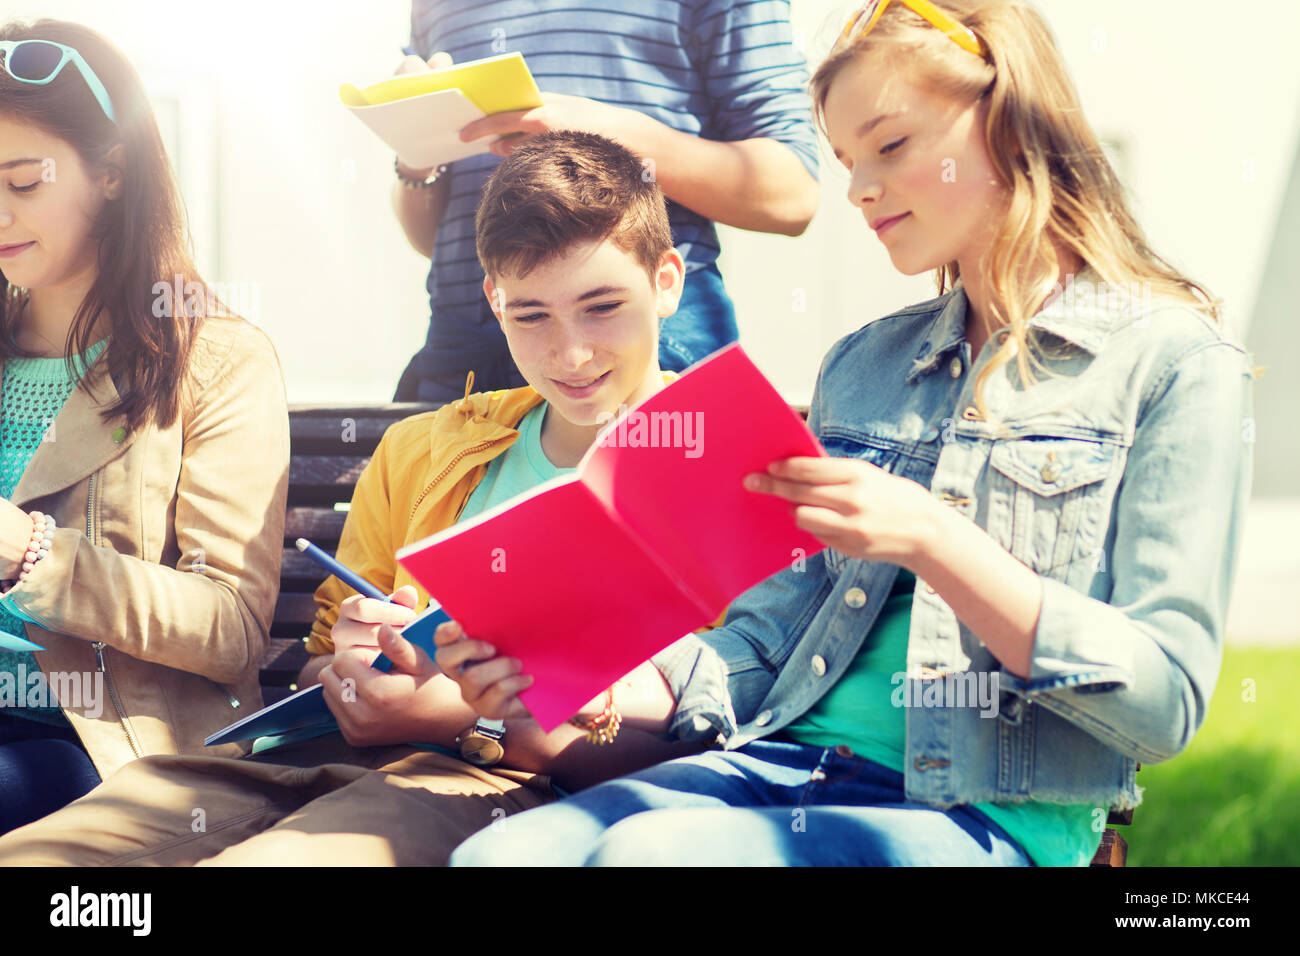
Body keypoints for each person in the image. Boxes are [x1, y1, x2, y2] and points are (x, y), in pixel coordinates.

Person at [444, 0, 1256, 866]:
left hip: (983, 816)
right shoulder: (864, 366)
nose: (860, 188)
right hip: (781, 766)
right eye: (845, 160)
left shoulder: (1175, 362)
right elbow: (759, 645)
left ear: (1009, 115)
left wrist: (934, 538)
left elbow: (1164, 700)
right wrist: (574, 673)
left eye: (891, 145)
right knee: (497, 858)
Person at [0, 130, 707, 865]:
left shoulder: (723, 469)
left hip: (500, 785)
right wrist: (353, 669)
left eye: (601, 307)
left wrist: (455, 719)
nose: (572, 353)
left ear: (666, 281)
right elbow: (315, 671)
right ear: (495, 302)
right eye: (532, 315)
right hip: (316, 761)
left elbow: (721, 747)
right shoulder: (424, 451)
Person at [0, 19, 289, 834]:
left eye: (23, 183)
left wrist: (32, 556)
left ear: (112, 173)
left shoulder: (215, 358)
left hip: (99, 746)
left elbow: (229, 629)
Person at [391, 0, 822, 403]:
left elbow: (792, 191)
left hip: (651, 347)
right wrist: (415, 162)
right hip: (461, 358)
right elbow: (431, 240)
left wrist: (604, 133)